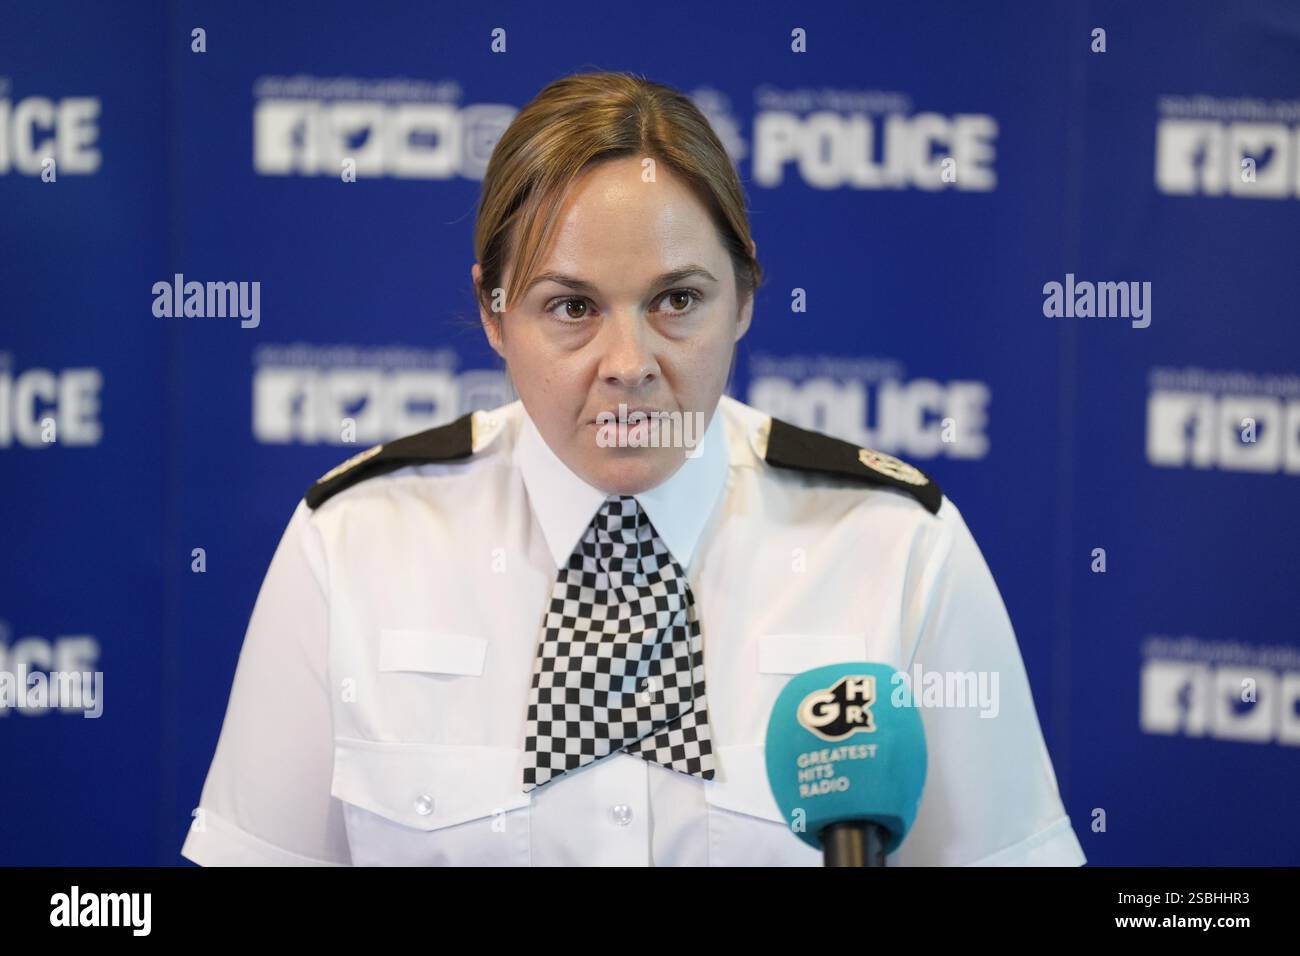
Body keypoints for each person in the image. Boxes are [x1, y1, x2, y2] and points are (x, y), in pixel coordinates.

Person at [181, 71, 1085, 867]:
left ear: (745, 300)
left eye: (678, 300)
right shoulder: (355, 544)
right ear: (493, 316)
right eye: (571, 306)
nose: (629, 362)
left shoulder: (893, 548)